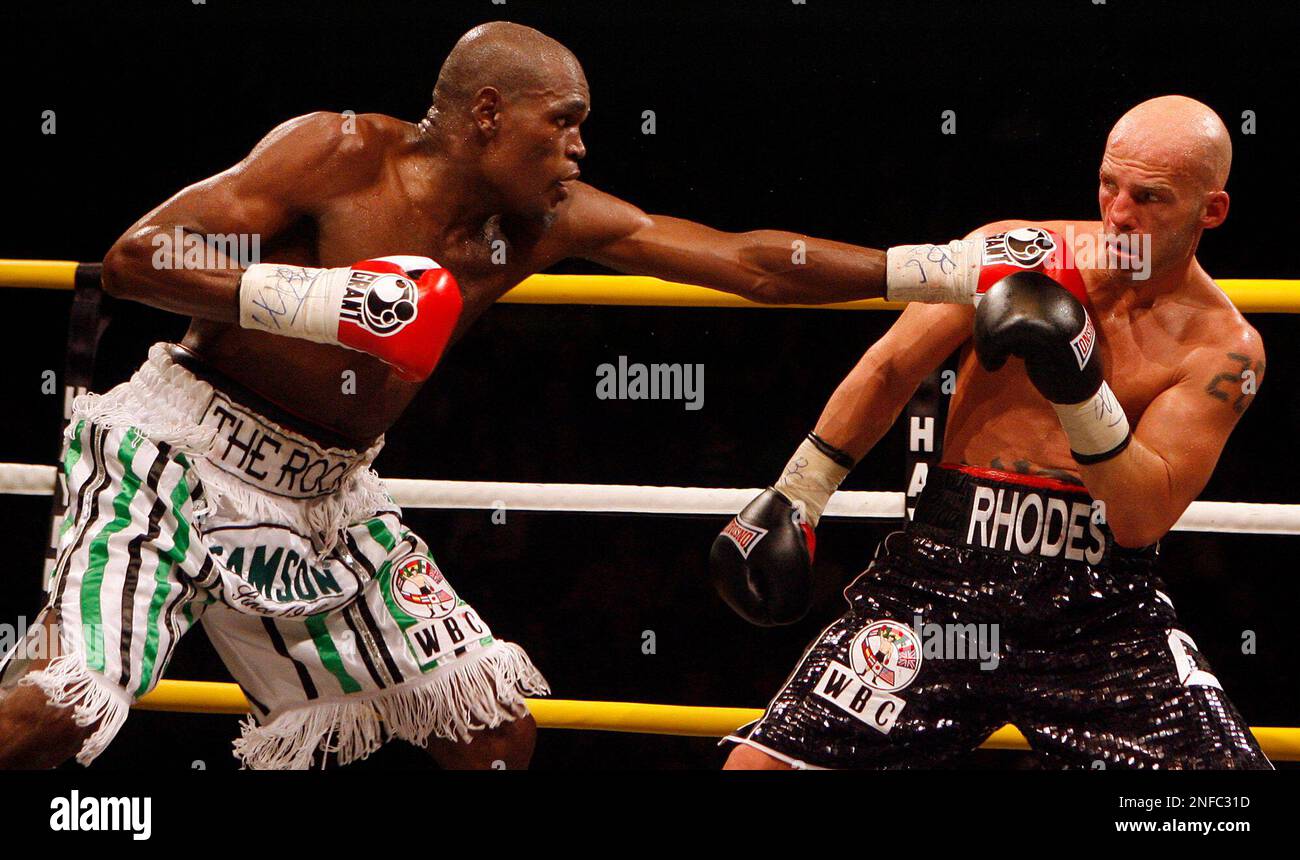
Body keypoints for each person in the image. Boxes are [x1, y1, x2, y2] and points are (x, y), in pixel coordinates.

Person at [0, 21, 914, 770]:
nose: (580, 146)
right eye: (563, 122)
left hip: (324, 497)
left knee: (492, 735)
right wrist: (327, 301)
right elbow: (136, 259)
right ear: (487, 113)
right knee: (58, 711)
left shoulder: (545, 218)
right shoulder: (339, 151)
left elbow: (749, 263)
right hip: (176, 458)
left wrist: (939, 270)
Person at [713, 96, 1272, 769]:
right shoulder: (1020, 252)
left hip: (1098, 609)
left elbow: (1140, 518)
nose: (1119, 213)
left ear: (1212, 210)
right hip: (942, 574)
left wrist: (1079, 390)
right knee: (760, 766)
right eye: (1108, 185)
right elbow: (891, 369)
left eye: (1150, 197)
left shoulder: (1225, 349)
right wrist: (801, 492)